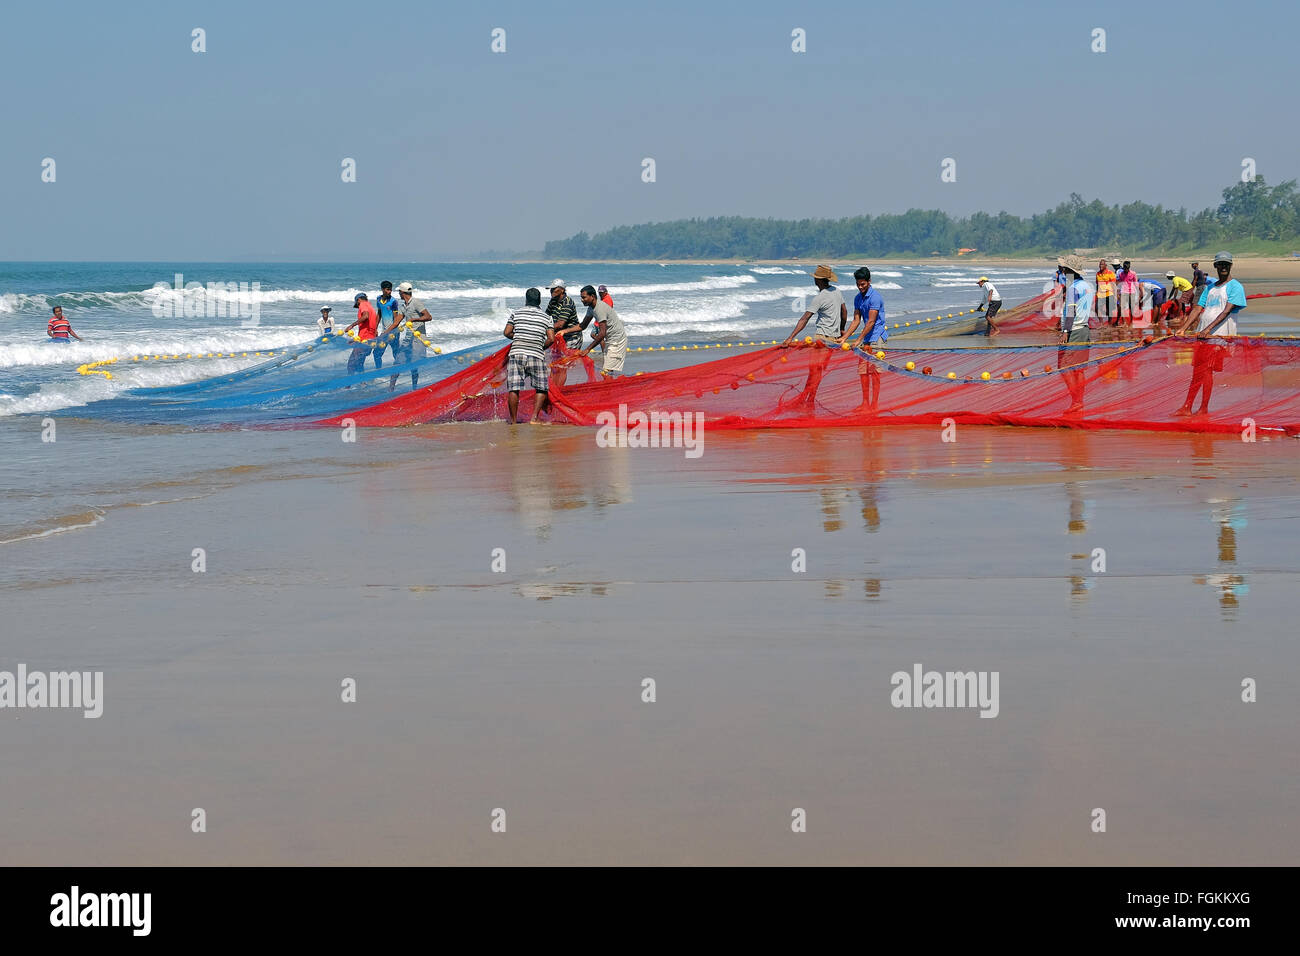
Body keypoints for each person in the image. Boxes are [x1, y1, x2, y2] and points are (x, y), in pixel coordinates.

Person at [1173, 252, 1246, 417]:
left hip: (1219, 337)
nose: (1223, 267)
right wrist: (1183, 328)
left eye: (1226, 264)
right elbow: (1198, 308)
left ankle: (1203, 408)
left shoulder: (1235, 286)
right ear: (1215, 266)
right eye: (1220, 264)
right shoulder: (1210, 288)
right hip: (1203, 336)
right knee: (1197, 371)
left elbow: (1226, 311)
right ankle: (1187, 406)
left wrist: (1208, 330)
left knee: (1207, 371)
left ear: (1231, 266)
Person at [780, 265, 847, 411]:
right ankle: (806, 399)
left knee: (814, 372)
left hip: (821, 339)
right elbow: (844, 311)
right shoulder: (837, 291)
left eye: (816, 278)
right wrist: (842, 329)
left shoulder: (819, 298)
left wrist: (790, 338)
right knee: (817, 371)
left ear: (818, 280)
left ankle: (808, 401)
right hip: (833, 340)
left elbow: (804, 319)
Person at [503, 288, 555, 424]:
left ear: (526, 300)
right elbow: (551, 339)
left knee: (514, 388)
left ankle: (513, 421)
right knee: (541, 387)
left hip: (517, 353)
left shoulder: (516, 313)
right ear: (539, 301)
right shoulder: (547, 317)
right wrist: (539, 346)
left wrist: (519, 338)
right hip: (536, 354)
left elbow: (507, 332)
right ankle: (534, 418)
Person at [845, 266, 886, 410]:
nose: (860, 287)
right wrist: (844, 337)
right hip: (866, 338)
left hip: (877, 338)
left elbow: (871, 322)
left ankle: (874, 404)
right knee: (863, 372)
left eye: (863, 284)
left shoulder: (875, 297)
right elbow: (856, 320)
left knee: (875, 372)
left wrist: (858, 340)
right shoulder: (858, 298)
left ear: (869, 281)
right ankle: (865, 403)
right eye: (858, 284)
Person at [387, 281, 432, 390]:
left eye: (399, 291)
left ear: (402, 292)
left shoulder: (416, 302)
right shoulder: (403, 306)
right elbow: (396, 323)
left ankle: (414, 389)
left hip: (418, 339)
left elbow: (428, 316)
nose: (398, 293)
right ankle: (390, 389)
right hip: (408, 339)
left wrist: (414, 319)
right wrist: (385, 333)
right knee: (397, 363)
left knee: (414, 365)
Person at [578, 285, 628, 377]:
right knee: (608, 371)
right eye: (581, 297)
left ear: (592, 296)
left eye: (584, 297)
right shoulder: (591, 308)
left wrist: (588, 349)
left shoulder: (599, 308)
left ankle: (610, 385)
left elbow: (602, 334)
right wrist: (564, 331)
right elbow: (583, 325)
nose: (582, 300)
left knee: (606, 371)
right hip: (610, 340)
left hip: (617, 340)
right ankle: (610, 384)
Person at [342, 294, 379, 373]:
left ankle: (349, 381)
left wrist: (352, 325)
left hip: (364, 341)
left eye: (357, 304)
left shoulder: (363, 304)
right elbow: (370, 328)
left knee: (351, 364)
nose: (358, 307)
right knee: (360, 364)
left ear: (358, 300)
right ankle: (362, 380)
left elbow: (365, 316)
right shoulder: (371, 307)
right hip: (370, 340)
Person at [546, 279, 581, 350]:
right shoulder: (553, 301)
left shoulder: (567, 302)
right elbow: (546, 316)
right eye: (551, 289)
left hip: (571, 337)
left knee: (568, 357)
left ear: (562, 290)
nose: (551, 291)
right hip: (559, 335)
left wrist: (544, 329)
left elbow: (560, 324)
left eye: (554, 289)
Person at [372, 281, 401, 368]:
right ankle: (379, 372)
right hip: (384, 332)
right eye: (388, 289)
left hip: (393, 332)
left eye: (391, 290)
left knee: (396, 354)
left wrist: (389, 332)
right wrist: (375, 329)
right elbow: (379, 314)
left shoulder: (393, 301)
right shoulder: (378, 299)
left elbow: (396, 319)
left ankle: (397, 371)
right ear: (382, 289)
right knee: (376, 353)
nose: (389, 291)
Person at [1116, 259, 1139, 329]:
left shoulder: (1133, 273)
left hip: (1132, 292)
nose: (1126, 270)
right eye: (1125, 268)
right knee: (1121, 307)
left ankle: (1131, 322)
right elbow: (1119, 283)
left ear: (1129, 267)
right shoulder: (1121, 274)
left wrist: (1138, 293)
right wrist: (1118, 292)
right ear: (1123, 267)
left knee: (1131, 308)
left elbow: (1136, 283)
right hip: (1123, 292)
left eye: (1127, 268)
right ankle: (1124, 323)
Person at [1094, 259, 1116, 327]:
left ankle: (1109, 323)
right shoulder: (1098, 274)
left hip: (1109, 293)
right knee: (1097, 308)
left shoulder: (1110, 273)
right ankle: (1101, 322)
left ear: (1105, 265)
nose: (1100, 266)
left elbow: (1113, 284)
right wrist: (1096, 292)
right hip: (1100, 294)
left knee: (1110, 309)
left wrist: (1115, 295)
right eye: (1100, 264)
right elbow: (1097, 284)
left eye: (1102, 264)